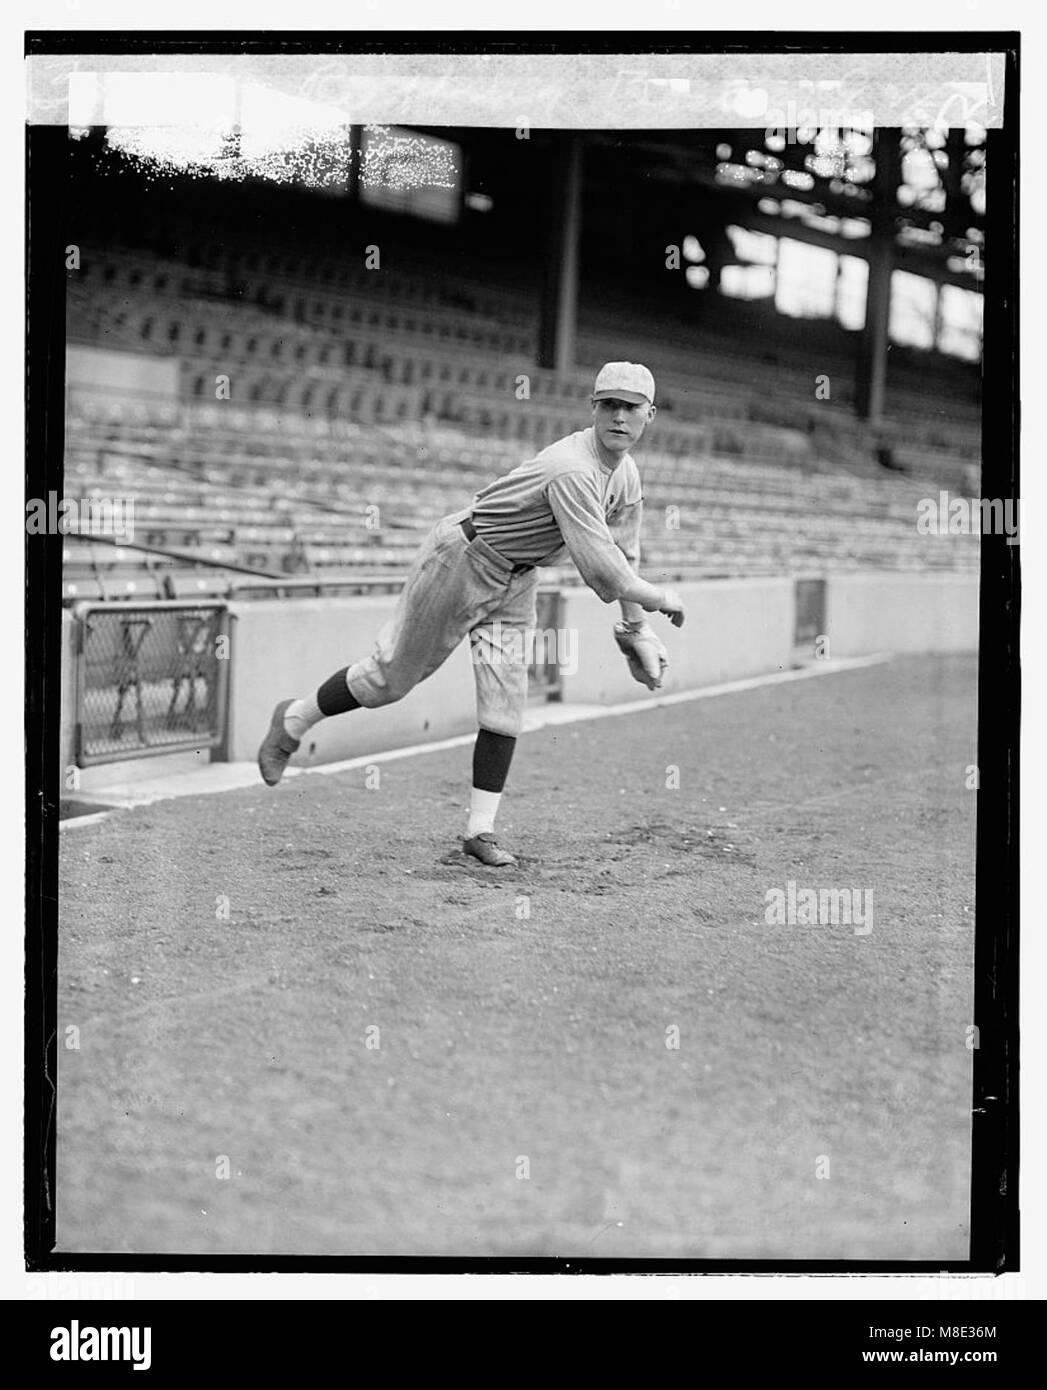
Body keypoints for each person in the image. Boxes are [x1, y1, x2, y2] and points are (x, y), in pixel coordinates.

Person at [258, 361, 685, 866]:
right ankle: (293, 718)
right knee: (387, 681)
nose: (618, 416)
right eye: (608, 404)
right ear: (593, 408)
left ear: (649, 415)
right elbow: (607, 574)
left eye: (630, 407)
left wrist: (635, 628)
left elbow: (625, 554)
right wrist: (661, 601)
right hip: (464, 559)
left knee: (506, 703)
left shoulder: (626, 475)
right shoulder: (572, 468)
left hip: (517, 578)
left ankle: (479, 832)